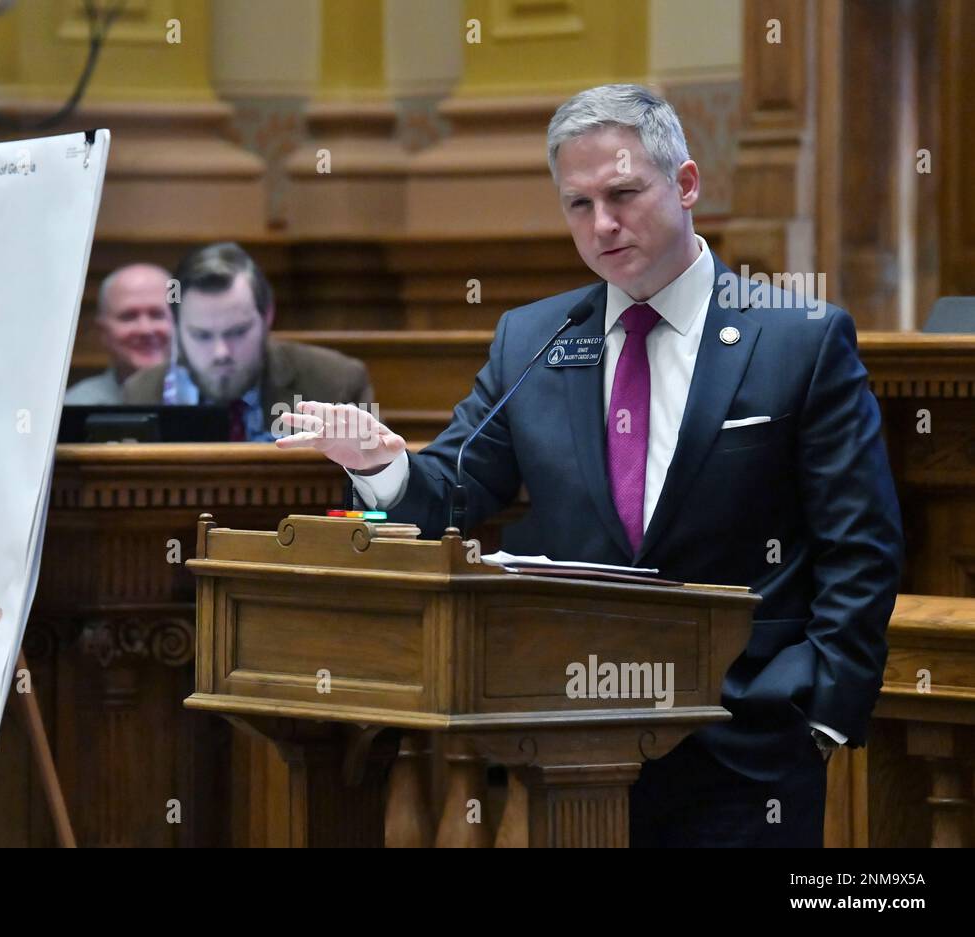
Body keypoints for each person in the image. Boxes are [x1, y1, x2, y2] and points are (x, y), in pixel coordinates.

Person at [277, 84, 904, 847]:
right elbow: (453, 493)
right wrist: (381, 463)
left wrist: (822, 714)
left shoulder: (798, 337)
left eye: (623, 193)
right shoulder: (533, 339)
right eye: (578, 204)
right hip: (574, 740)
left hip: (749, 743)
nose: (603, 224)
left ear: (686, 183)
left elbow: (861, 545)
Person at [122, 242, 373, 442]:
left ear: (268, 316)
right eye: (202, 335)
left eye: (237, 332)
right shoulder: (143, 393)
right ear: (176, 327)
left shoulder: (336, 384)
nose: (221, 352)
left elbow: (370, 492)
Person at [65, 263, 174, 405]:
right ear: (103, 331)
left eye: (157, 315)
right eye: (128, 317)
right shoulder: (73, 408)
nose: (145, 329)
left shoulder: (211, 400)